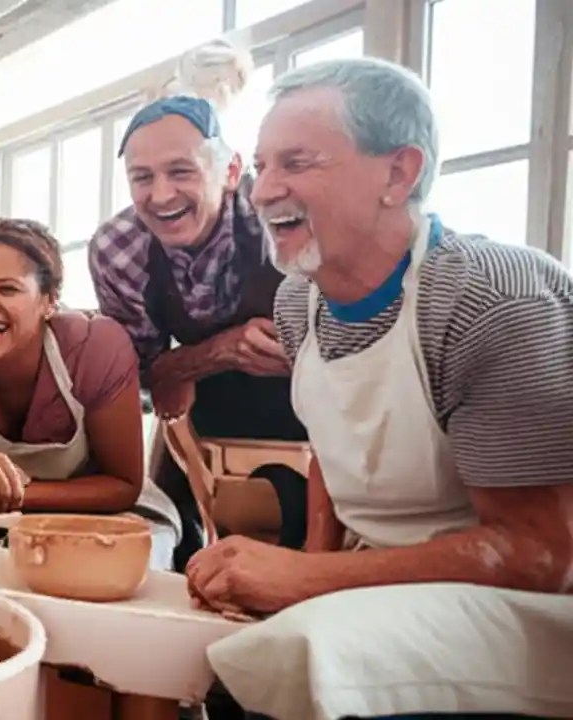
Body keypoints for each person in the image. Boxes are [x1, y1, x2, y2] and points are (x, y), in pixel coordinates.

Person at [192, 58, 573, 720]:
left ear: (399, 173)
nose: (261, 191)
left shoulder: (492, 300)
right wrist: (309, 566)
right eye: (261, 166)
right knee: (225, 660)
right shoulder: (297, 301)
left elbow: (540, 553)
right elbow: (334, 451)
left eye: (297, 163)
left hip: (530, 605)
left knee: (300, 654)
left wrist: (307, 581)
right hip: (385, 578)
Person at [88, 94, 307, 568]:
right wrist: (222, 352)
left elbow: (348, 340)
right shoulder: (117, 246)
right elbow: (143, 377)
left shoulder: (281, 217)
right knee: (175, 553)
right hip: (198, 415)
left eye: (181, 171)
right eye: (142, 177)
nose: (161, 195)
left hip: (311, 408)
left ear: (230, 172)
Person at [0, 219, 181, 566]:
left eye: (7, 289)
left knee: (95, 575)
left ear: (49, 301)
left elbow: (122, 485)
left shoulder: (96, 345)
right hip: (6, 520)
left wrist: (0, 498)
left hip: (118, 516)